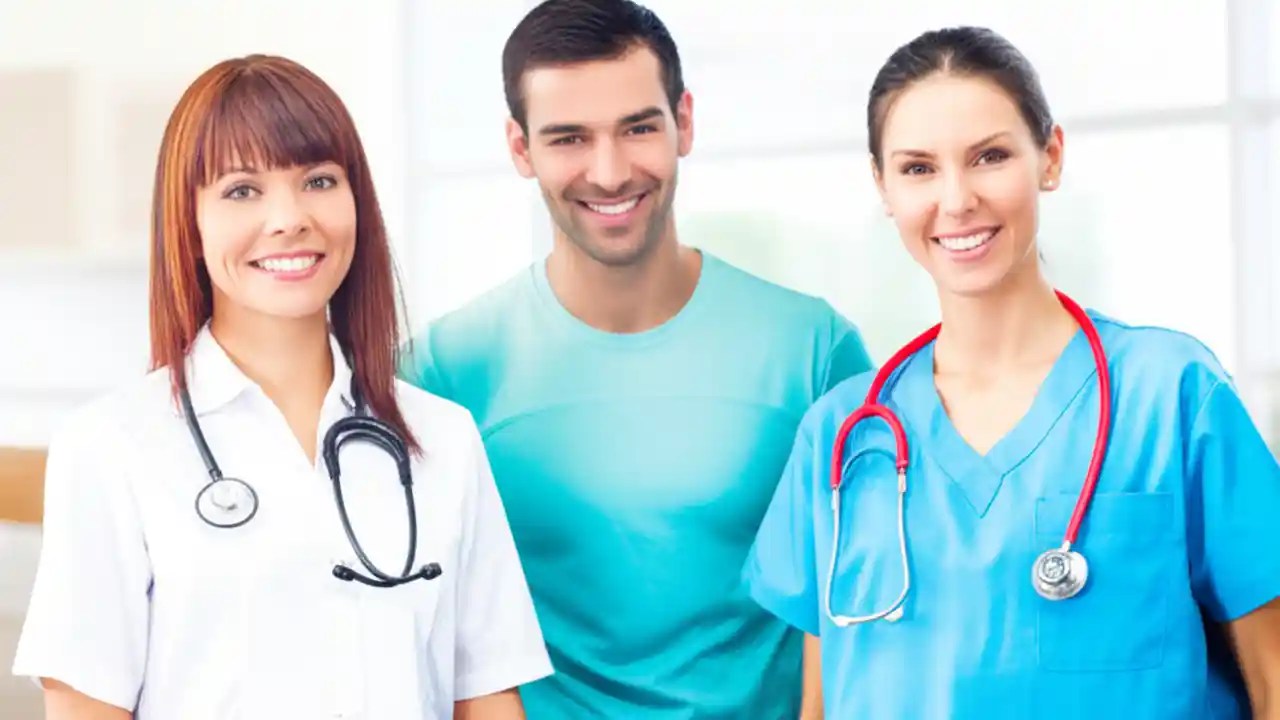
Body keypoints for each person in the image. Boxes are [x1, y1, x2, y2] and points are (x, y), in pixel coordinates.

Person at [743, 25, 1280, 719]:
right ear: (883, 186)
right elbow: (821, 703)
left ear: (1049, 158)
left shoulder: (1171, 395)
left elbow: (1273, 681)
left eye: (990, 156)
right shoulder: (842, 438)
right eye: (918, 169)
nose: (957, 200)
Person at [11, 54, 552, 719]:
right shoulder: (111, 446)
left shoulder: (443, 438)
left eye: (319, 180)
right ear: (189, 222)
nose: (290, 217)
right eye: (242, 190)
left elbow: (488, 695)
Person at [398, 1, 874, 717]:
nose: (610, 172)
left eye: (638, 128)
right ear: (520, 148)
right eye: (569, 138)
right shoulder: (441, 371)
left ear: (684, 121)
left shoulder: (813, 350)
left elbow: (860, 615)